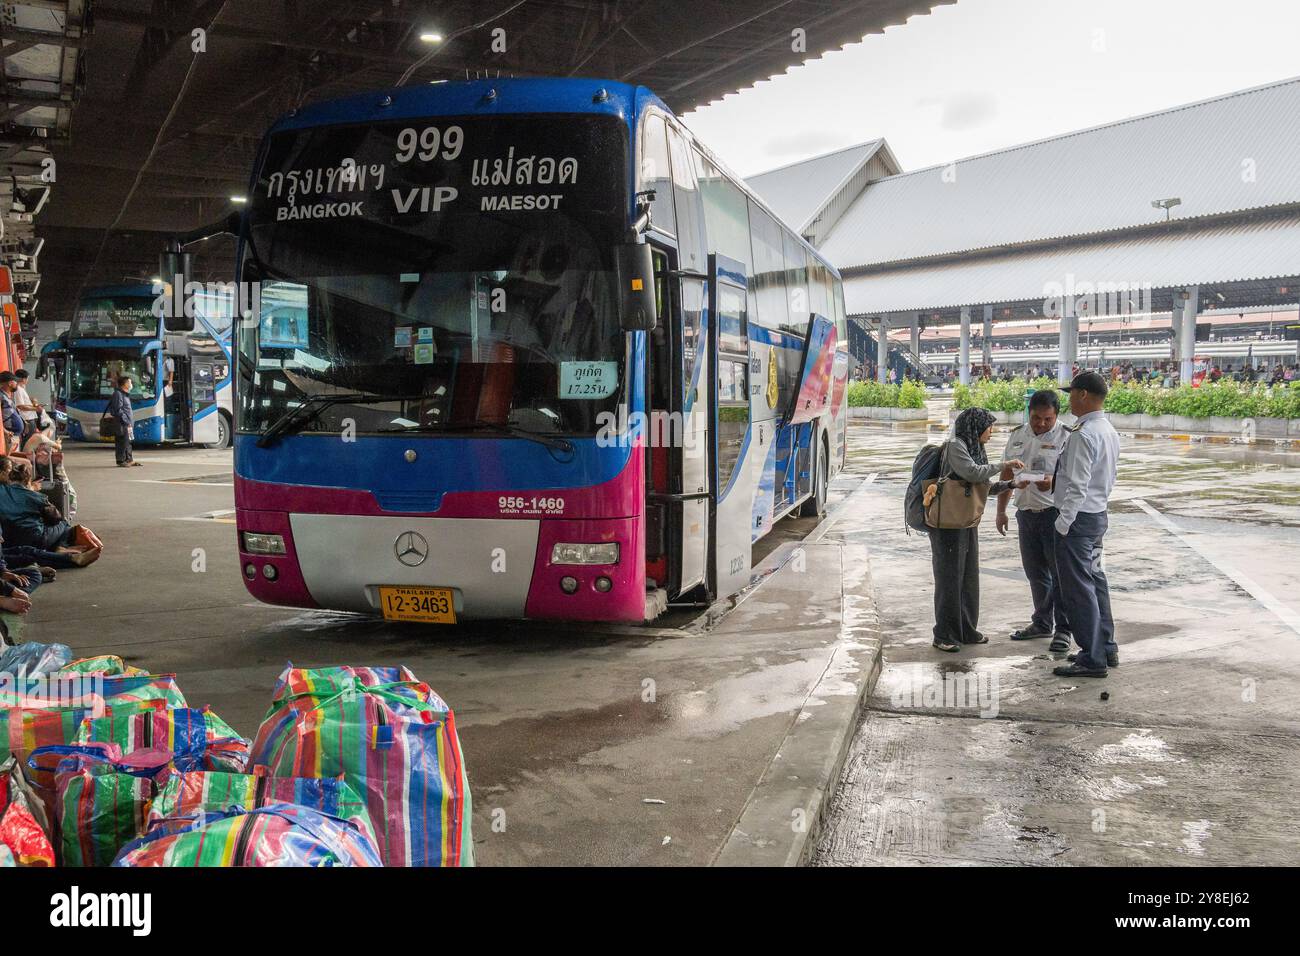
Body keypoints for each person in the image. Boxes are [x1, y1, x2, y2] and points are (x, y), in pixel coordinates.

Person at [928, 407, 1023, 652]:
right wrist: (1005, 464)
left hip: (966, 520)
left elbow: (983, 486)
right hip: (948, 522)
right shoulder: (956, 446)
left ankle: (967, 630)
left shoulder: (974, 448)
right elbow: (970, 472)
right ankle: (944, 634)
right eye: (988, 426)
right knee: (949, 578)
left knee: (969, 577)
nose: (991, 431)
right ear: (975, 426)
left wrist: (1011, 483)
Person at [1051, 371, 1121, 678]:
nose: (1068, 399)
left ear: (1082, 395)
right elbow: (1109, 479)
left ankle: (1092, 658)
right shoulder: (1108, 430)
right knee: (1096, 582)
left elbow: (1077, 486)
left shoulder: (1083, 434)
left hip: (1078, 522)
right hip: (1097, 517)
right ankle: (1106, 647)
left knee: (1079, 590)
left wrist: (1063, 524)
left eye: (1071, 393)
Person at [996, 390, 1073, 652]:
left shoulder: (1068, 437)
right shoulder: (1018, 435)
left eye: (1047, 419)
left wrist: (1052, 483)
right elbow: (1007, 472)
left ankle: (1064, 630)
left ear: (1057, 416)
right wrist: (1001, 510)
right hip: (1026, 514)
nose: (1041, 423)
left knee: (1060, 575)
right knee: (1036, 574)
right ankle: (1042, 623)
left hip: (1053, 515)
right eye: (1036, 418)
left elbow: (1075, 479)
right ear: (1028, 413)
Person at [0, 458, 102, 557]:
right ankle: (61, 547)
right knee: (64, 523)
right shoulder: (36, 497)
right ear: (28, 480)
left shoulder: (2, 491)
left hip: (8, 539)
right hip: (34, 538)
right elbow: (56, 518)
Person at [107, 374, 141, 467]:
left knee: (127, 441)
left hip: (127, 423)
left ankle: (129, 459)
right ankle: (121, 460)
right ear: (124, 384)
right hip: (122, 423)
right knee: (122, 441)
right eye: (129, 382)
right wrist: (126, 421)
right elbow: (118, 410)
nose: (131, 384)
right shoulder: (118, 394)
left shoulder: (125, 394)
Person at [12, 369, 42, 442]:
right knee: (27, 442)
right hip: (27, 420)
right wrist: (35, 409)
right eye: (27, 378)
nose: (27, 381)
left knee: (29, 441)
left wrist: (32, 402)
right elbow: (20, 406)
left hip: (29, 419)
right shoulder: (18, 390)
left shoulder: (21, 389)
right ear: (23, 379)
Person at [0, 372, 23, 452]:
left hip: (13, 435)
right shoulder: (1, 396)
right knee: (7, 461)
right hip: (8, 435)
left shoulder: (6, 396)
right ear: (10, 383)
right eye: (15, 382)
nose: (17, 384)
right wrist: (5, 431)